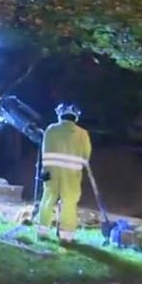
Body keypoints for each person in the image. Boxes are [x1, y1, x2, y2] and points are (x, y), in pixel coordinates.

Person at [36, 103, 92, 243]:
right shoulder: (82, 134)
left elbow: (44, 150)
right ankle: (66, 236)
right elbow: (86, 156)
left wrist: (44, 170)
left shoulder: (51, 130)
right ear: (76, 117)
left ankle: (42, 231)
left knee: (48, 199)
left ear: (60, 114)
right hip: (72, 174)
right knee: (69, 203)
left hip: (51, 172)